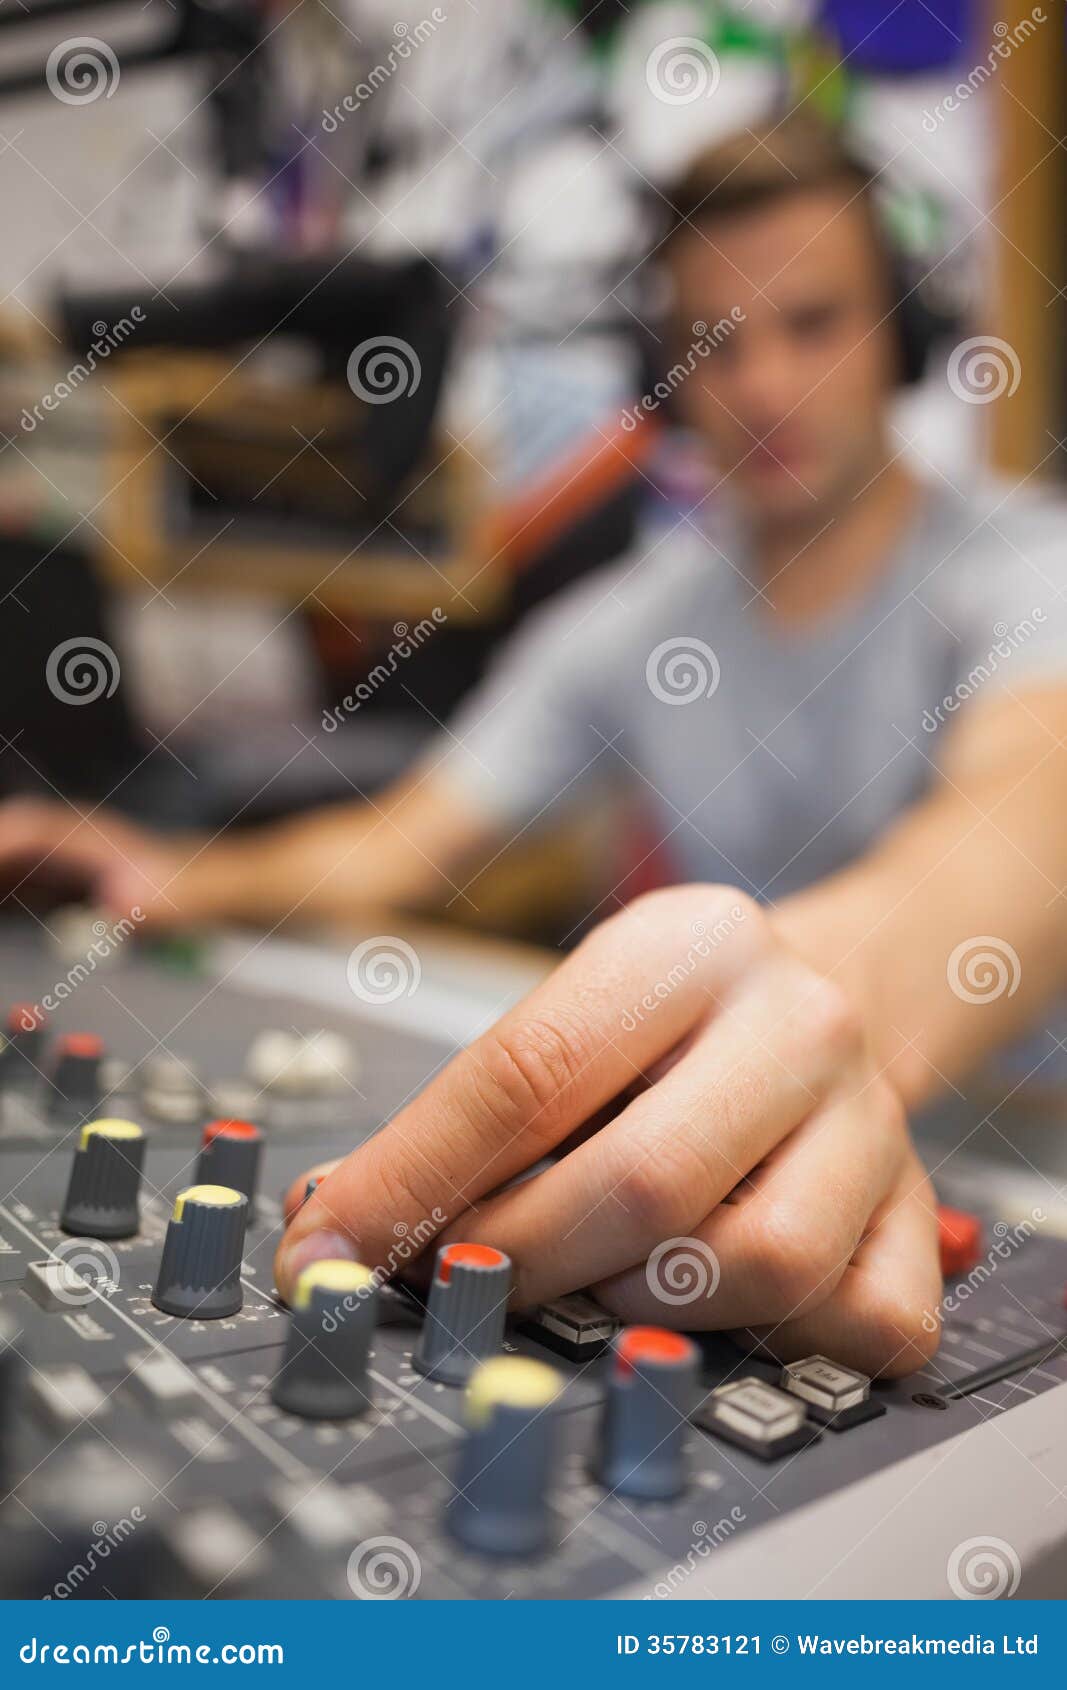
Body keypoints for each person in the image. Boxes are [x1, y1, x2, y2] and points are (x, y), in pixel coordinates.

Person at [4, 115, 1066, 1377]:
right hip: (736, 1167)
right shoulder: (627, 620)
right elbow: (402, 837)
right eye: (715, 343)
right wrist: (161, 871)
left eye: (813, 323)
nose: (764, 385)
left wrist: (814, 999)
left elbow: (1022, 822)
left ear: (899, 332)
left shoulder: (1024, 565)